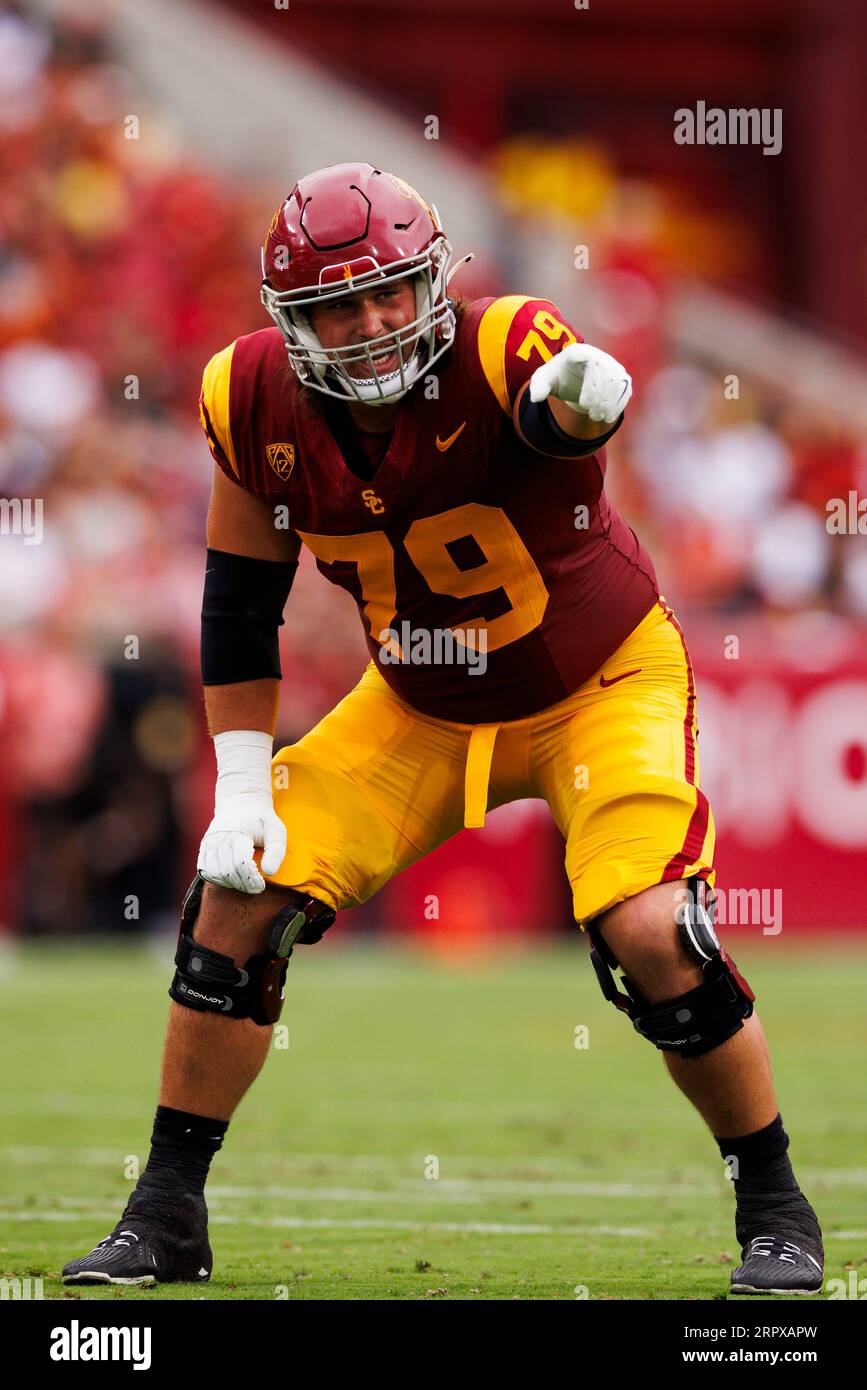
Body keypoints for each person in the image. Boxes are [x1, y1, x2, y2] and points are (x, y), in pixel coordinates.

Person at [62, 162, 823, 1296]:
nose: (369, 326)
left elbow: (556, 401)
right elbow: (238, 605)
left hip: (596, 681)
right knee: (235, 901)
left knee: (655, 929)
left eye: (388, 295)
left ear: (433, 282)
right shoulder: (253, 398)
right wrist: (241, 785)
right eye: (337, 304)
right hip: (418, 703)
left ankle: (775, 1203)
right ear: (289, 317)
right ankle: (166, 1211)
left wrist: (582, 400)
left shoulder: (505, 339)